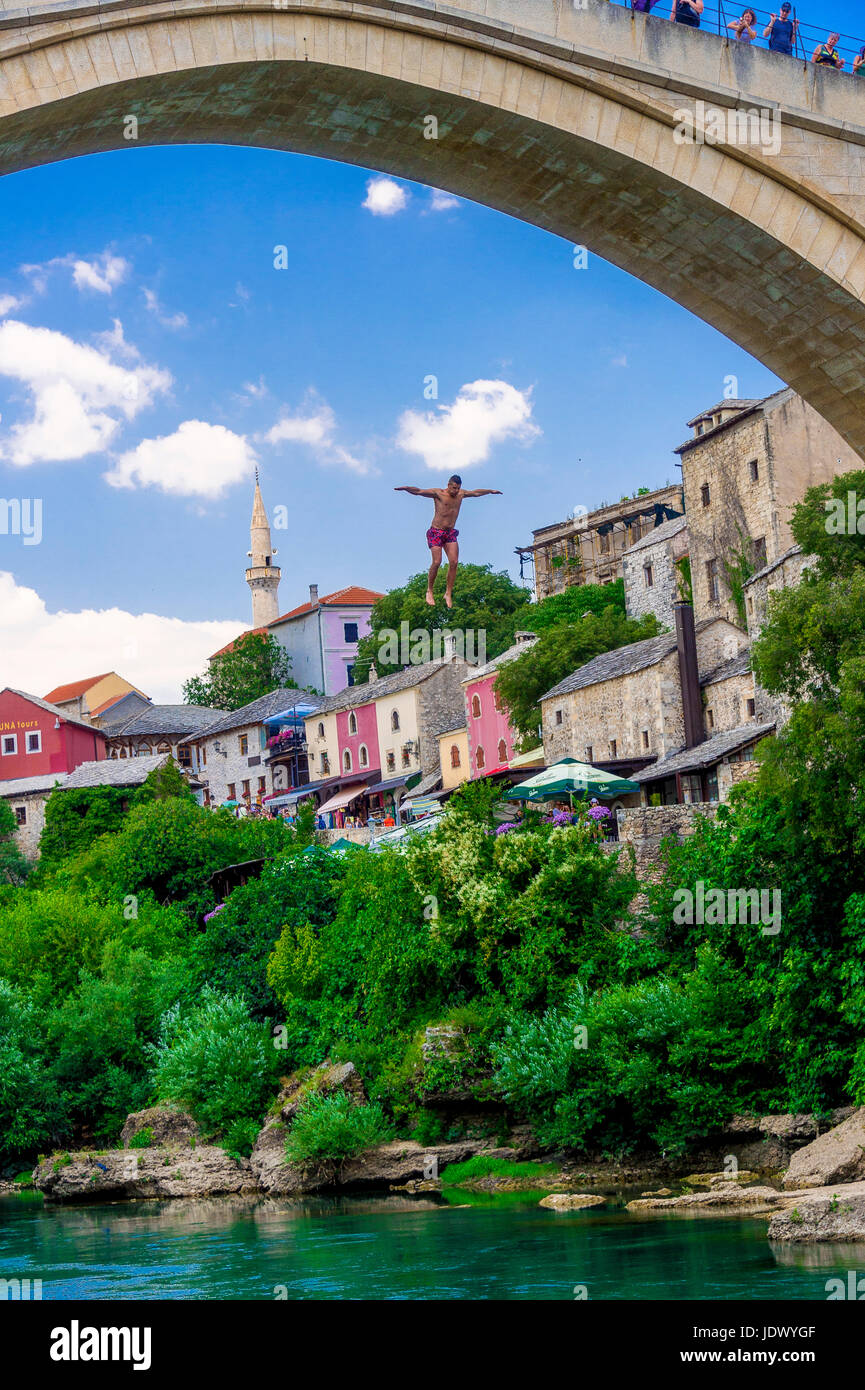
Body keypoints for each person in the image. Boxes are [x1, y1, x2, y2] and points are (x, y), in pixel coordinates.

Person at [394, 475, 503, 608]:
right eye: (453, 488)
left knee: (454, 562)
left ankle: (448, 593)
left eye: (458, 488)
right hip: (436, 532)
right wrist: (406, 488)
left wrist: (490, 491)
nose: (455, 491)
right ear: (448, 485)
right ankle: (429, 590)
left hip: (449, 533)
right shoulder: (438, 493)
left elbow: (476, 493)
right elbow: (419, 491)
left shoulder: (461, 494)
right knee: (437, 561)